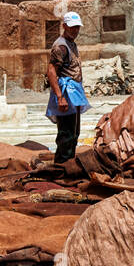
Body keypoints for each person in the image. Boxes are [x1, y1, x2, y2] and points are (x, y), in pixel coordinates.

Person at [45, 12, 91, 165]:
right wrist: (60, 97)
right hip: (65, 94)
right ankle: (61, 166)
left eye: (77, 27)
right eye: (72, 27)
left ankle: (69, 165)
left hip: (74, 94)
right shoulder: (61, 46)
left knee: (74, 133)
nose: (75, 30)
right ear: (64, 26)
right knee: (66, 134)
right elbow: (51, 71)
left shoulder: (71, 43)